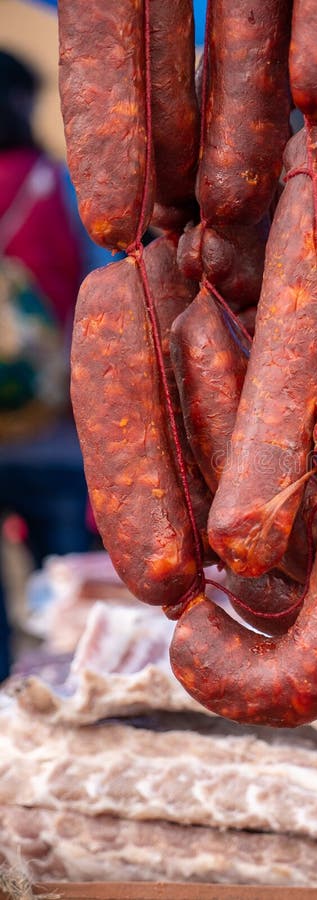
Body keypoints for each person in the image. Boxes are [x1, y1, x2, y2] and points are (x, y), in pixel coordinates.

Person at [0, 49, 92, 682]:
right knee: (67, 592)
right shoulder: (56, 183)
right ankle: (67, 703)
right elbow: (103, 285)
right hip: (57, 426)